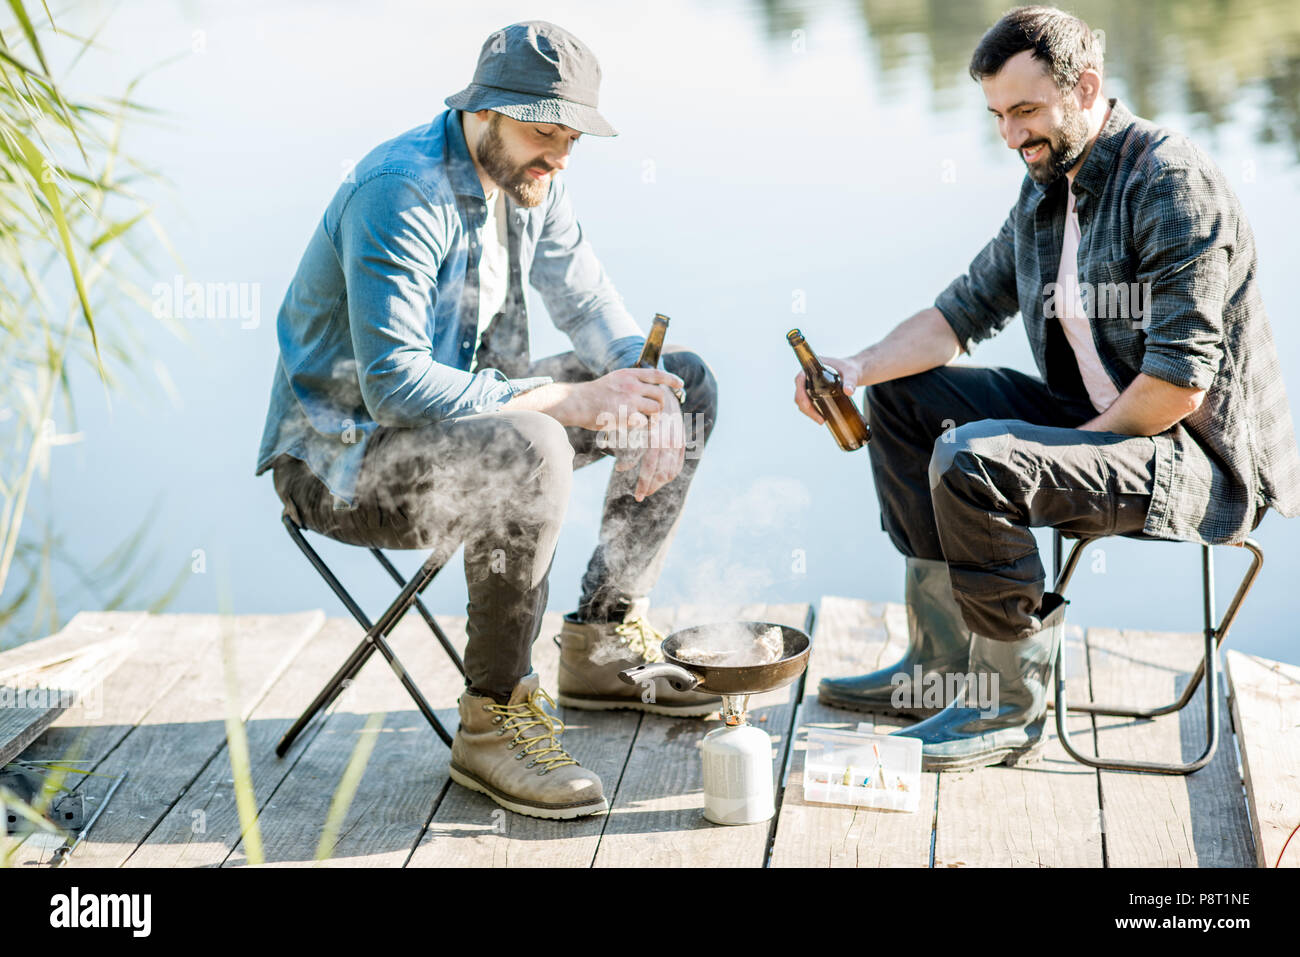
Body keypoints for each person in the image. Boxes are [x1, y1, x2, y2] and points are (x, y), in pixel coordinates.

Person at [799, 5, 1300, 770]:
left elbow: (1178, 383)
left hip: (1192, 459)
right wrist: (856, 367)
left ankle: (1006, 705)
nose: (1009, 134)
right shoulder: (1045, 186)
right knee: (902, 399)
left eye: (1025, 110)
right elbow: (957, 312)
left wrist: (1048, 452)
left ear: (1085, 86)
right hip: (1096, 418)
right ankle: (940, 667)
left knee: (977, 460)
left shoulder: (1171, 181)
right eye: (998, 114)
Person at [255, 21, 719, 819]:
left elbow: (587, 301)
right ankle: (493, 718)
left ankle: (602, 639)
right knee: (532, 439)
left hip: (472, 429)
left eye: (572, 137)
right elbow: (395, 387)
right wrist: (561, 400)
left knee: (683, 384)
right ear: (489, 110)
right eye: (547, 132)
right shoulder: (400, 192)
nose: (562, 156)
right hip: (342, 464)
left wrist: (639, 381)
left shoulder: (533, 177)